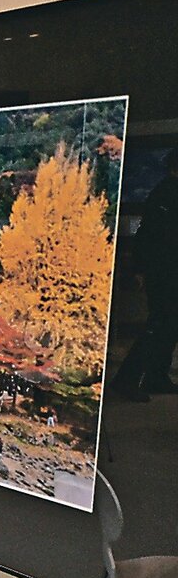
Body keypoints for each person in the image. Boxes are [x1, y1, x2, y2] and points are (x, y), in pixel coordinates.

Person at [112, 148, 178, 401]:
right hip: (164, 271)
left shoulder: (165, 192)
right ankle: (127, 379)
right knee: (160, 324)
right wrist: (139, 268)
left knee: (168, 324)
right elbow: (151, 236)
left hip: (165, 269)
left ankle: (156, 376)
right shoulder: (166, 193)